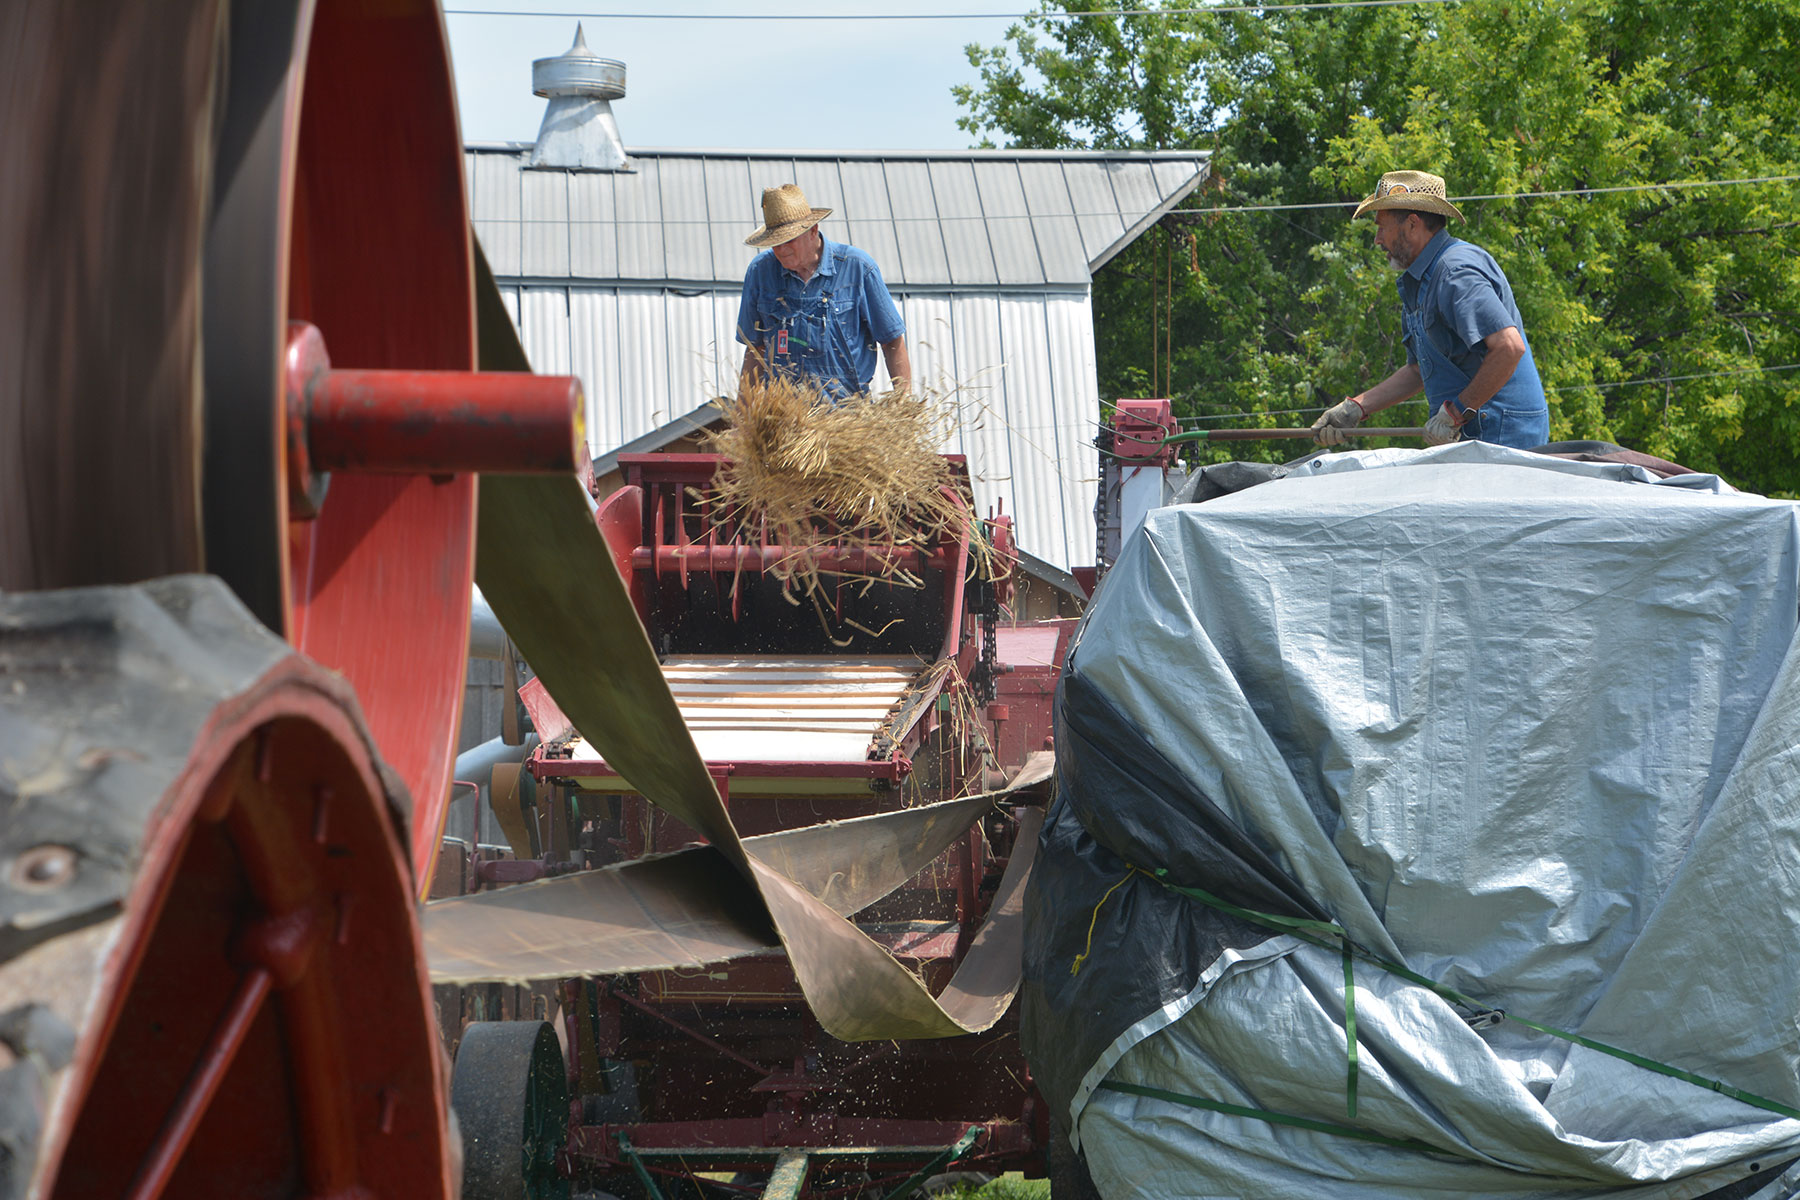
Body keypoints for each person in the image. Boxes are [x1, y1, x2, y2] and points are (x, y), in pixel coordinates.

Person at [1313, 170, 1549, 450]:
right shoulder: (1420, 280)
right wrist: (1354, 409)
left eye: (1382, 227)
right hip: (1469, 430)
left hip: (1501, 433)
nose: (1377, 239)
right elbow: (1417, 371)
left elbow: (1509, 349)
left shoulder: (1455, 272)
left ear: (1412, 224)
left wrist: (1457, 412)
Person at [737, 183, 911, 401]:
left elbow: (892, 341)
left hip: (848, 419)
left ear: (813, 231)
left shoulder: (857, 268)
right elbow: (755, 349)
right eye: (775, 243)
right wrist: (742, 418)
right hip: (783, 421)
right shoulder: (760, 272)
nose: (781, 250)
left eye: (788, 240)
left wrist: (903, 402)